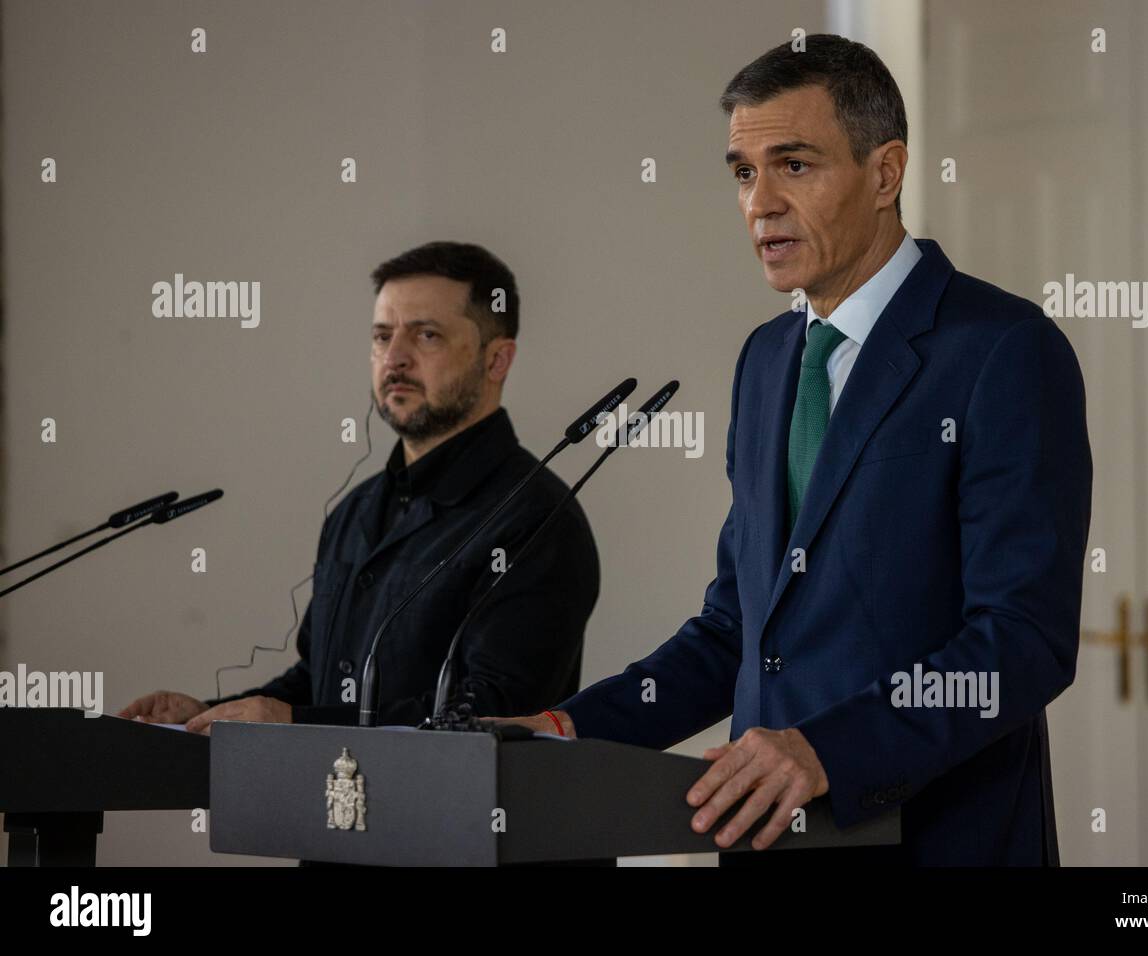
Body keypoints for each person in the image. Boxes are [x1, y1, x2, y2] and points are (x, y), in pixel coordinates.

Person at [490, 36, 1092, 865]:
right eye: (743, 171)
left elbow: (1022, 640)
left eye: (795, 165)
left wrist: (828, 752)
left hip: (940, 841)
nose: (760, 203)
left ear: (885, 174)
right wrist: (572, 727)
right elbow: (738, 627)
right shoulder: (767, 360)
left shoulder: (1002, 350)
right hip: (771, 843)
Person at [121, 241, 600, 732]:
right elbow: (318, 684)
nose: (395, 358)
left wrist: (300, 721)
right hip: (325, 808)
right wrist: (206, 716)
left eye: (427, 335)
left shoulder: (537, 517)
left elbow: (493, 715)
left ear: (497, 360)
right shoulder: (356, 510)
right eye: (381, 336)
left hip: (463, 810)